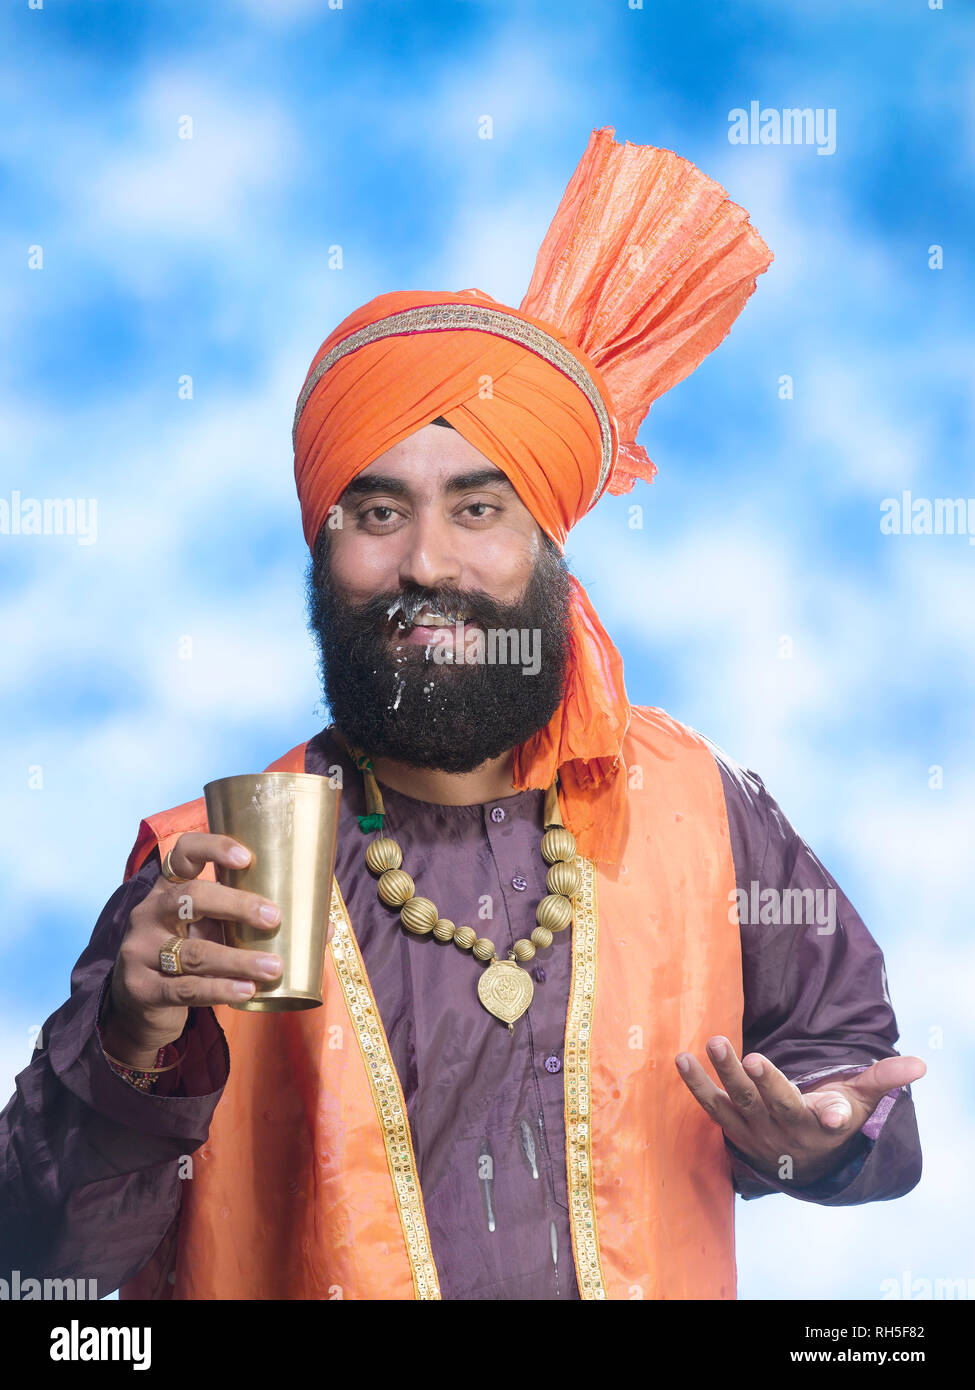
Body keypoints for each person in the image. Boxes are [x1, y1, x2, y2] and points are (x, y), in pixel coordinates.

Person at [0, 128, 924, 1301]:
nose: (425, 561)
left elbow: (852, 1064)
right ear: (323, 549)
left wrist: (821, 1130)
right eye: (377, 514)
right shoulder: (211, 874)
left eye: (478, 508)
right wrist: (131, 1038)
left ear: (548, 543)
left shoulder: (704, 810)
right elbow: (46, 1262)